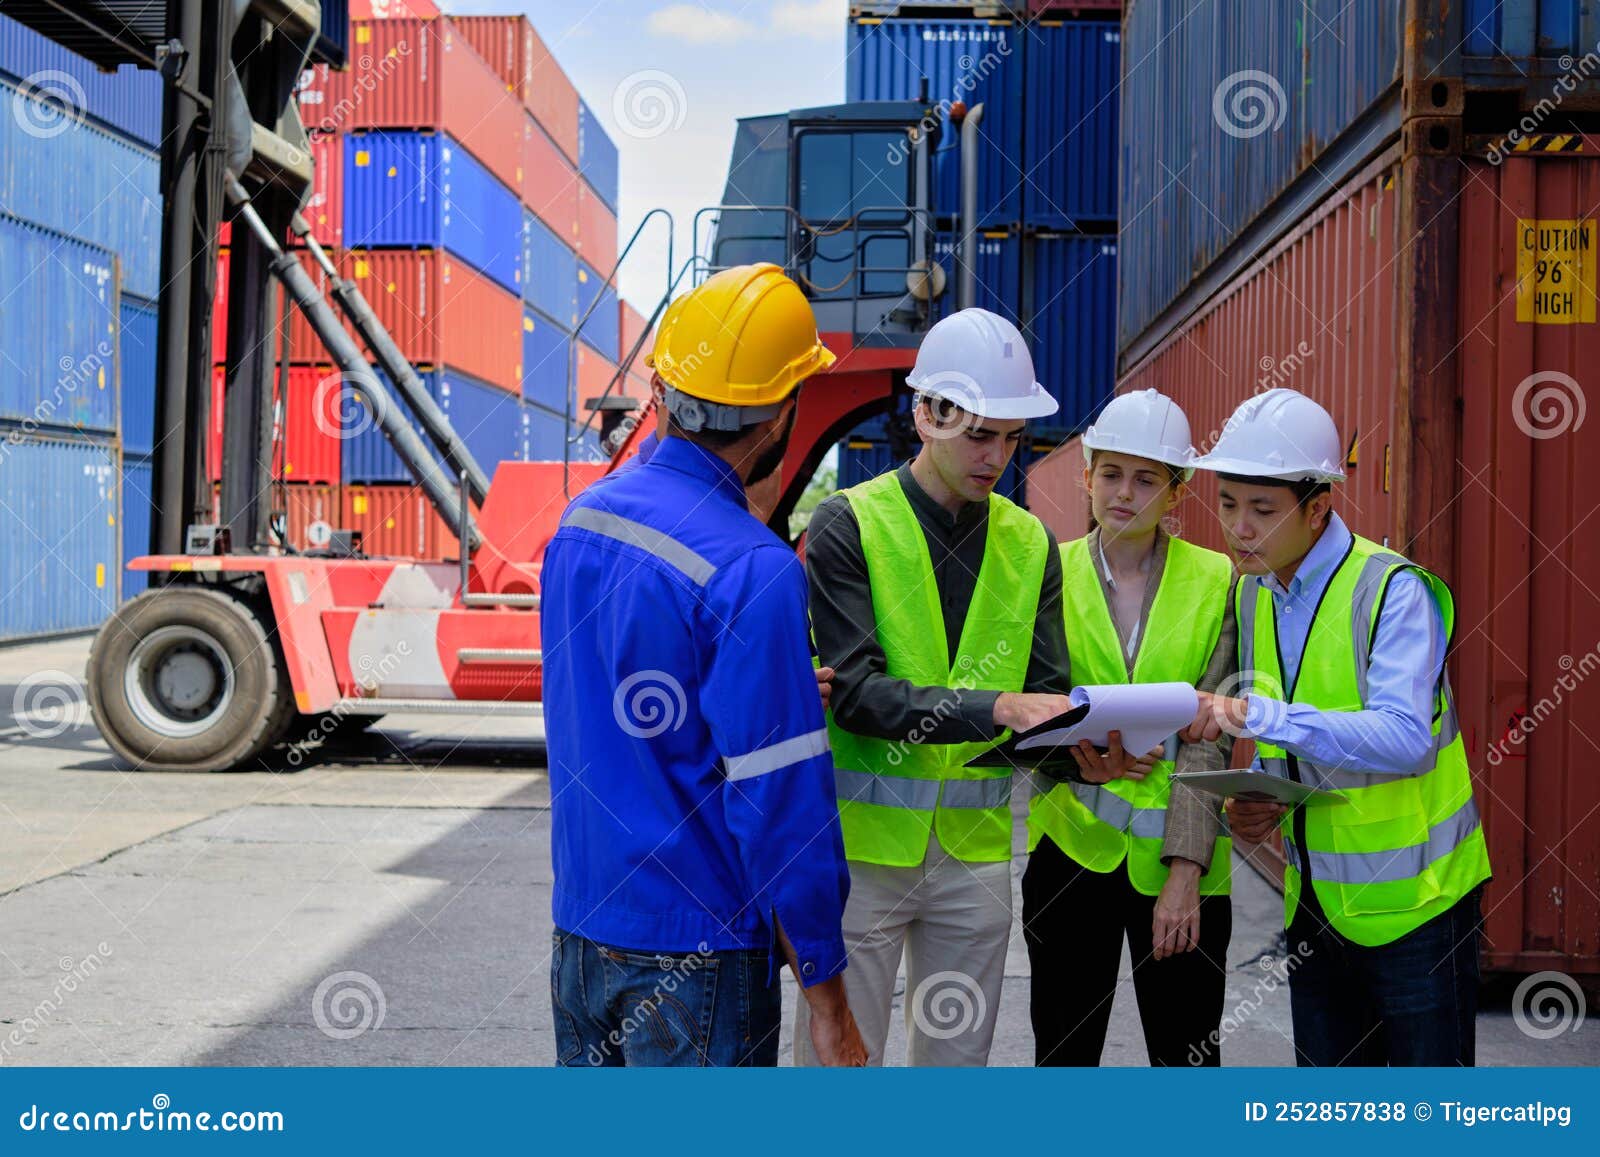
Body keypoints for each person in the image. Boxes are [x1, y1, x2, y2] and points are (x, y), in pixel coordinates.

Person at [541, 264, 867, 1067]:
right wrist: (827, 996)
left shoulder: (581, 523)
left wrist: (771, 696)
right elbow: (782, 806)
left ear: (664, 386)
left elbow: (609, 707)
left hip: (581, 937)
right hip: (698, 958)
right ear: (783, 412)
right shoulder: (753, 566)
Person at [797, 307, 1137, 1067]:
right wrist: (1002, 706)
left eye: (1012, 438)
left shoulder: (1028, 542)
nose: (997, 457)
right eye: (980, 434)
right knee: (838, 1075)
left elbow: (1043, 699)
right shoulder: (849, 522)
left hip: (975, 860)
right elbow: (856, 694)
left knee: (954, 1079)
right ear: (926, 414)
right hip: (864, 856)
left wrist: (1078, 755)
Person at [1182, 387, 1491, 1067]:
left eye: (1262, 510)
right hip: (1316, 907)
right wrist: (1262, 790)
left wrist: (1253, 714)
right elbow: (1294, 734)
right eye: (1228, 503)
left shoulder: (1392, 591)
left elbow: (1407, 737)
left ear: (1318, 506)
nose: (1238, 528)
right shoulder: (1253, 591)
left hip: (1420, 910)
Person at [1022, 390, 1237, 1067]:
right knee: (1064, 1057)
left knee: (1188, 1061)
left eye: (1147, 478)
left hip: (1180, 862)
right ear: (1086, 475)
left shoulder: (1217, 579)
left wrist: (1185, 872)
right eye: (1111, 472)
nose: (1124, 492)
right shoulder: (1045, 570)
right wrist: (1076, 748)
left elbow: (1214, 737)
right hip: (1070, 853)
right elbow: (1027, 701)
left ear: (1177, 491)